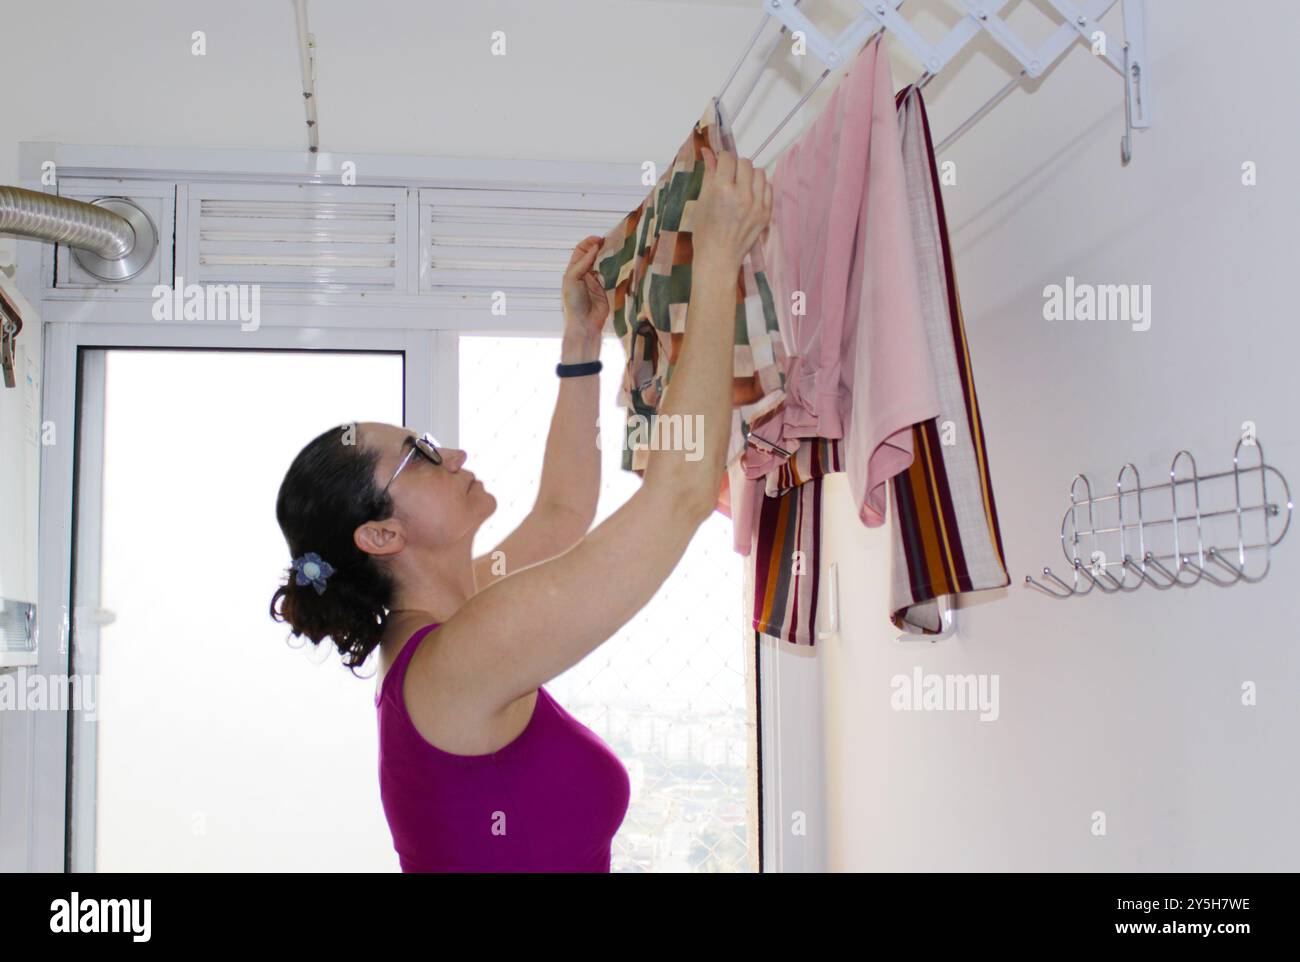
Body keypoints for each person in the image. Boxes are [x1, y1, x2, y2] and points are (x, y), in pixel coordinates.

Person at [269, 147, 773, 871]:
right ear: (382, 533)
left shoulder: (448, 620)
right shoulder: (454, 660)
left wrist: (579, 340)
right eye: (424, 455)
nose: (456, 457)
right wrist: (718, 255)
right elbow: (682, 495)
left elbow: (564, 511)